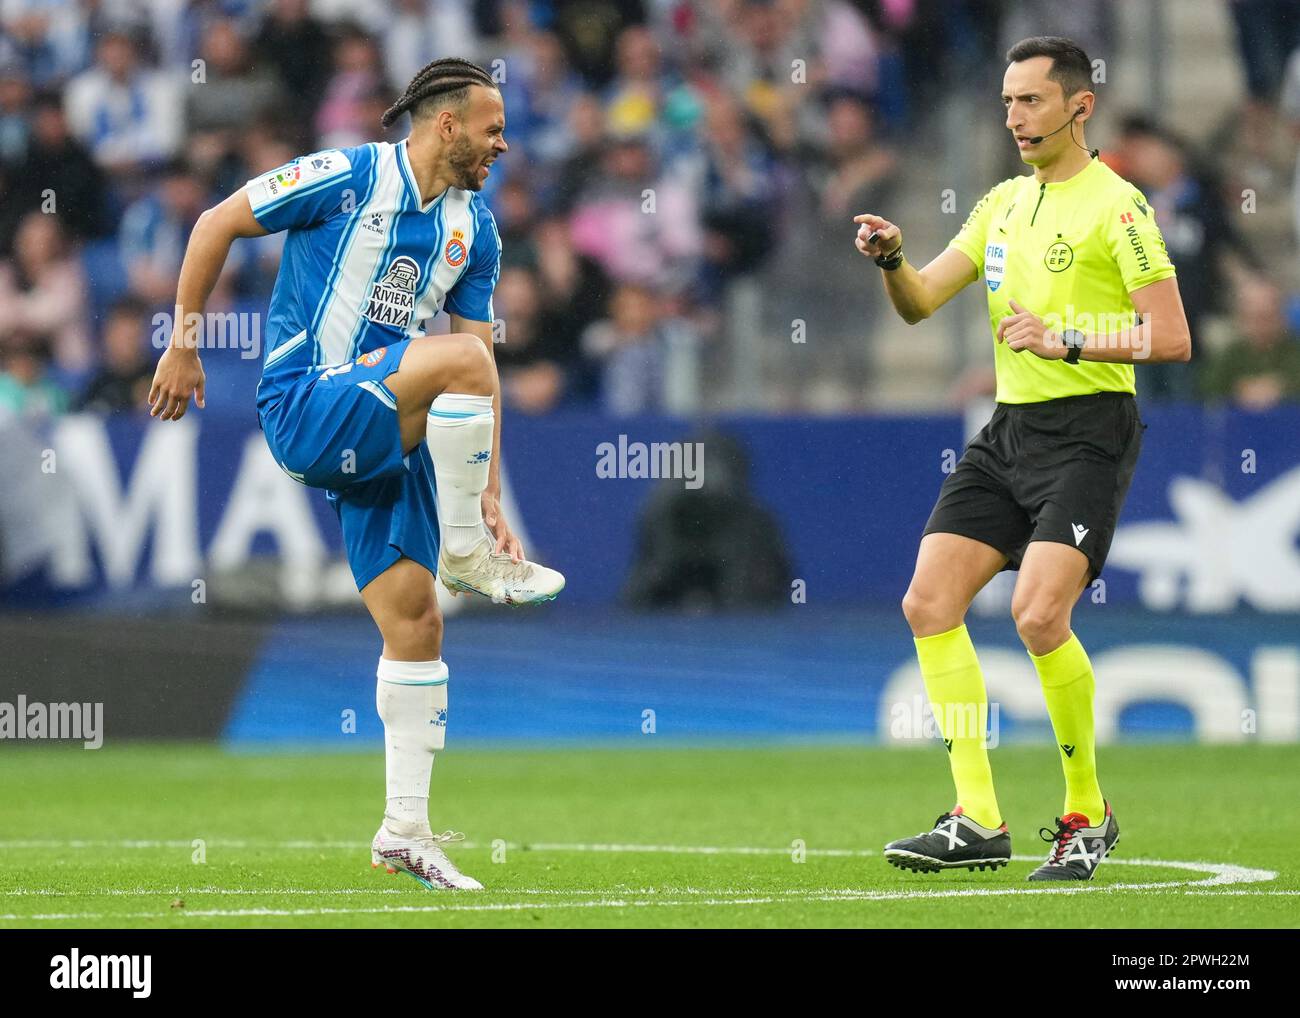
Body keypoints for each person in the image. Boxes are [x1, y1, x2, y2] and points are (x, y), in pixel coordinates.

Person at [147, 58, 565, 892]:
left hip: (386, 422)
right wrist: (184, 343)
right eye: (492, 128)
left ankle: (404, 828)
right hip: (308, 402)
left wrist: (484, 489)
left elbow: (476, 367)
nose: (503, 144)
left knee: (414, 622)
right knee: (461, 360)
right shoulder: (345, 175)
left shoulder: (474, 228)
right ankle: (466, 555)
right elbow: (212, 225)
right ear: (447, 124)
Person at [854, 37, 1190, 880]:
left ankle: (1087, 810)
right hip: (1010, 431)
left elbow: (1173, 336)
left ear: (1081, 107)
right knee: (928, 600)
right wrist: (894, 259)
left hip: (1089, 430)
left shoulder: (1119, 209)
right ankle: (978, 817)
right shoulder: (1002, 202)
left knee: (1038, 616)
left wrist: (1068, 339)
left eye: (1032, 101)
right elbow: (922, 303)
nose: (1014, 117)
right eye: (1007, 102)